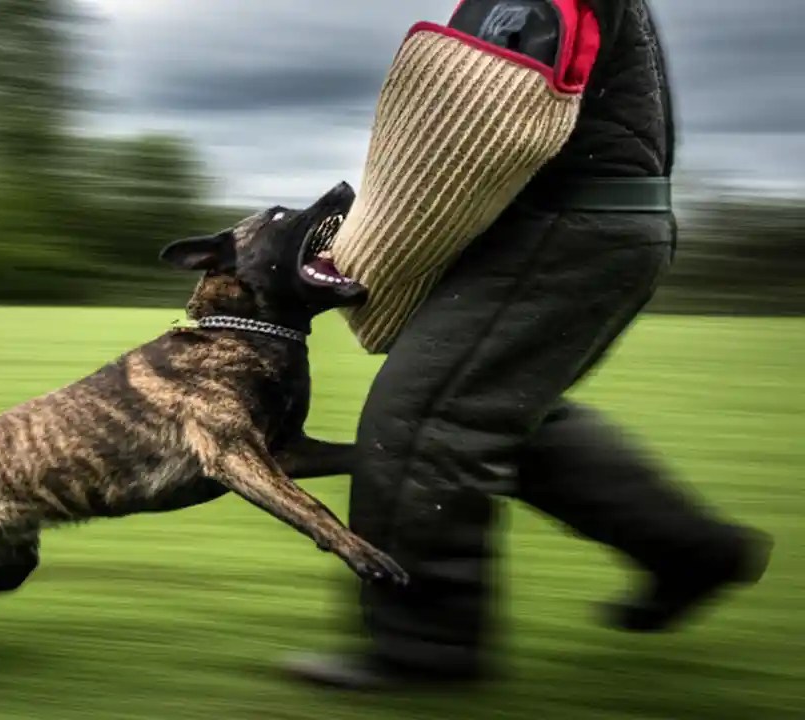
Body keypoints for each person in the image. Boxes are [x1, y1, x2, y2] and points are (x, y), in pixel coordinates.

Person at [283, 0, 773, 689]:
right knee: (496, 417)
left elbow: (483, 114)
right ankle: (691, 551)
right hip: (574, 225)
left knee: (424, 422)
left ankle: (425, 648)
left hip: (567, 230)